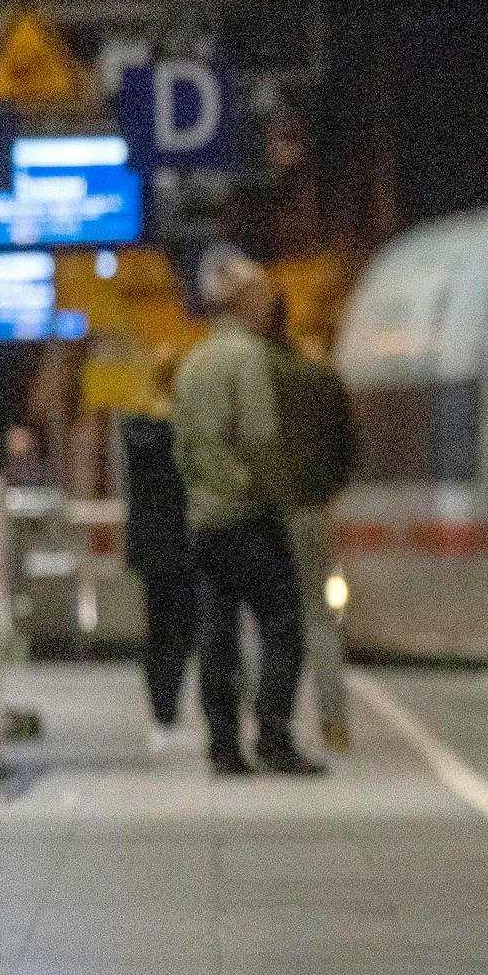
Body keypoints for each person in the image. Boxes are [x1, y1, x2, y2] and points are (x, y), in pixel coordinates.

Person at [169, 245, 320, 776]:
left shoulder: (192, 363)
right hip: (249, 515)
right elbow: (260, 436)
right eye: (260, 297)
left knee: (217, 631)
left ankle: (223, 744)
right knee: (283, 625)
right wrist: (285, 491)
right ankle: (274, 735)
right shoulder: (248, 358)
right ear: (244, 302)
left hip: (203, 520)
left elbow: (181, 446)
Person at [270, 286, 357, 754]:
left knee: (259, 619)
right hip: (309, 511)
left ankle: (265, 720)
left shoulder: (260, 374)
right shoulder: (321, 378)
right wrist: (322, 493)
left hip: (259, 511)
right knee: (319, 618)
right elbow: (348, 448)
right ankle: (333, 721)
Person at [116, 370, 197, 749]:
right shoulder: (183, 434)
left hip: (147, 545)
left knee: (155, 627)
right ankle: (170, 702)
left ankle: (159, 705)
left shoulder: (133, 433)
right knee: (180, 630)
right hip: (181, 542)